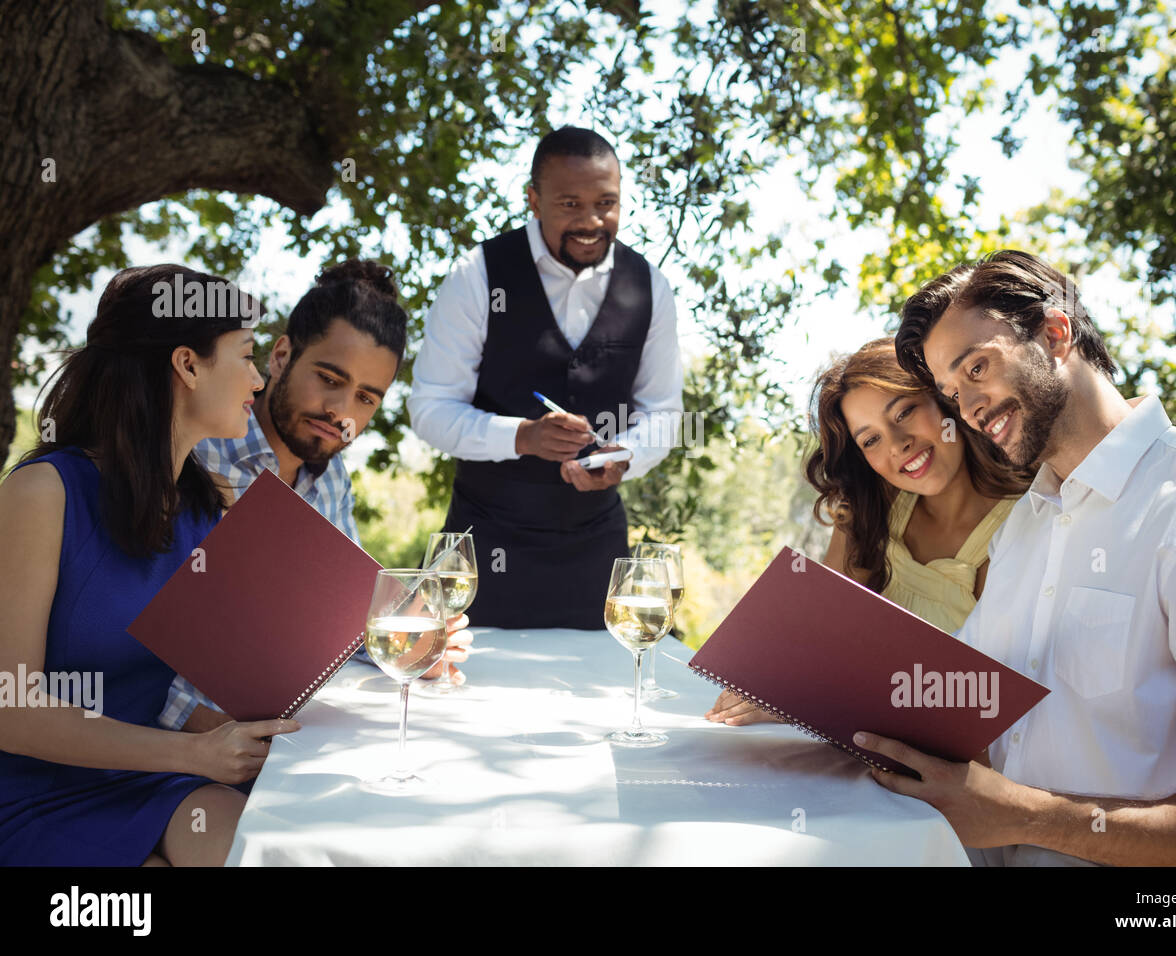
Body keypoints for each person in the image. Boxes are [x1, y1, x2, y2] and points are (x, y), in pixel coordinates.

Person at [855, 249, 1176, 866]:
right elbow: (965, 699)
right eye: (953, 394)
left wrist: (1027, 818)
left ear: (1055, 332)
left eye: (977, 367)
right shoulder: (1026, 527)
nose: (971, 408)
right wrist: (815, 686)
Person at [0, 265, 300, 865]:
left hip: (150, 779)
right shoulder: (43, 494)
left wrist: (387, 636)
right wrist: (194, 755)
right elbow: (11, 709)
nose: (258, 379)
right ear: (187, 365)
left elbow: (261, 651)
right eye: (245, 356)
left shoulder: (207, 502)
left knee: (260, 850)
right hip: (35, 796)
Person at [160, 260, 470, 735]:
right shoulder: (197, 455)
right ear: (281, 356)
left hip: (288, 731)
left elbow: (347, 622)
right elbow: (145, 650)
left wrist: (413, 644)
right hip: (189, 745)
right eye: (329, 379)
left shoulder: (330, 476)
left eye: (366, 398)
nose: (340, 412)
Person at [407, 126, 683, 630]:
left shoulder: (650, 287)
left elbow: (663, 413)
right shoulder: (477, 275)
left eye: (606, 203)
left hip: (597, 553)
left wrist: (624, 456)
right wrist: (522, 436)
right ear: (533, 200)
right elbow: (430, 407)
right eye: (570, 204)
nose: (591, 222)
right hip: (482, 549)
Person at [706, 338, 1031, 725]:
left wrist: (812, 697)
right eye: (871, 440)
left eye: (905, 412)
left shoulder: (1029, 519)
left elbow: (990, 701)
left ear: (945, 401)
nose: (898, 445)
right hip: (862, 752)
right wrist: (776, 687)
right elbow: (819, 643)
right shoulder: (871, 510)